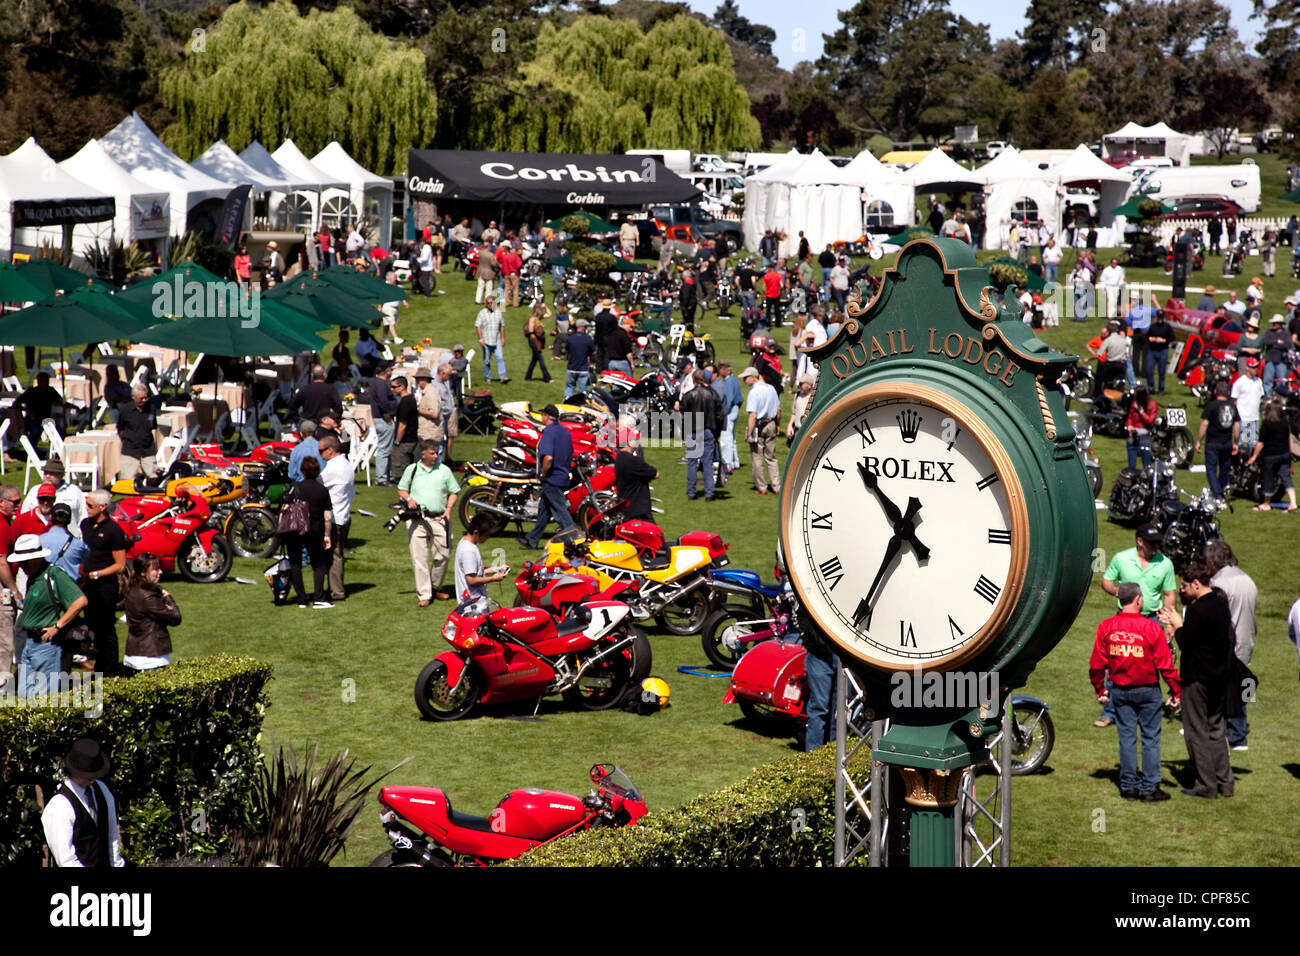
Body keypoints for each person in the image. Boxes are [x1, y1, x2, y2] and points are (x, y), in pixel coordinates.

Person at [1089, 582, 1180, 801]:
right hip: (1148, 691)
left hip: (1119, 690)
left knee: (1127, 737)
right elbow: (1165, 665)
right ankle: (1149, 788)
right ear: (1139, 600)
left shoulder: (1106, 626)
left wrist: (1100, 688)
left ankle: (1128, 786)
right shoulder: (1151, 628)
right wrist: (1176, 690)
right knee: (1150, 739)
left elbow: (1096, 664)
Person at [1158, 564, 1235, 799]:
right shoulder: (1221, 605)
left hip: (1197, 680)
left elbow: (1187, 643)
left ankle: (1206, 784)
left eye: (1184, 585)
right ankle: (1225, 782)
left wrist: (1177, 626)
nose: (1182, 590)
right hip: (1219, 678)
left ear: (1196, 584)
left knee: (1196, 732)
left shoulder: (1198, 610)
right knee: (1215, 729)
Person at [12, 533, 87, 696]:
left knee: (43, 697)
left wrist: (57, 626)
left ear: (36, 558)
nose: (21, 565)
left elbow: (80, 601)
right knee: (25, 694)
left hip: (46, 644)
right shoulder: (33, 577)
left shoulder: (54, 574)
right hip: (30, 643)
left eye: (24, 561)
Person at [1202, 541, 1256, 751]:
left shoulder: (1219, 582)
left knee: (1222, 688)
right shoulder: (1246, 578)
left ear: (1213, 561)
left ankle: (1232, 731)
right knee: (1239, 685)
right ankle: (1237, 731)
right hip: (1246, 638)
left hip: (1227, 643)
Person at [41, 738, 126, 867]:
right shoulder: (60, 806)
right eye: (88, 775)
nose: (92, 779)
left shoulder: (102, 790)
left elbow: (112, 838)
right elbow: (66, 861)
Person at [398, 439, 460, 606]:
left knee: (443, 555)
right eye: (433, 453)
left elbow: (454, 491)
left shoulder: (444, 470)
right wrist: (409, 499)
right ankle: (424, 594)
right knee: (420, 558)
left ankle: (435, 586)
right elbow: (401, 488)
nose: (436, 456)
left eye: (437, 453)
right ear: (423, 454)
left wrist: (449, 509)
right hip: (416, 520)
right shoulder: (412, 469)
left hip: (439, 518)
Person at [79, 490, 127, 675]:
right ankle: (100, 666)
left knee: (106, 628)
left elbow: (120, 565)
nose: (87, 508)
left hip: (105, 587)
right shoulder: (85, 525)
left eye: (91, 505)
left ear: (103, 507)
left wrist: (94, 574)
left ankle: (109, 668)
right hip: (88, 585)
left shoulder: (113, 531)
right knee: (91, 625)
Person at [518, 405, 577, 549]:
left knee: (560, 511)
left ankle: (574, 538)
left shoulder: (549, 433)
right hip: (562, 475)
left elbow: (548, 458)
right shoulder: (565, 432)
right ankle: (532, 539)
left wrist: (543, 473)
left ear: (546, 416)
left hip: (551, 478)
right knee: (544, 510)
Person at [282, 456, 333, 609]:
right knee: (318, 564)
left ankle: (302, 598)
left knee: (295, 562)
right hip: (315, 529)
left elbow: (284, 509)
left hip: (296, 528)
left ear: (302, 471)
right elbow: (328, 516)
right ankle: (319, 597)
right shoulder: (323, 490)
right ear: (318, 472)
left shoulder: (294, 488)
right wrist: (327, 535)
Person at [122, 553, 180, 674]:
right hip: (151, 658)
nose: (160, 572)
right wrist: (167, 596)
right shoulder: (148, 597)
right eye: (155, 569)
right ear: (143, 572)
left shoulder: (132, 589)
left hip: (135, 652)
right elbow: (175, 618)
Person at [318, 435, 355, 603]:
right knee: (336, 555)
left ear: (330, 450)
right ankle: (335, 588)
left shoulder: (332, 468)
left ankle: (336, 591)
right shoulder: (346, 464)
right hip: (344, 515)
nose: (319, 454)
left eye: (321, 451)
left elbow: (317, 484)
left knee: (334, 556)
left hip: (333, 518)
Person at [1247, 399, 1298, 511]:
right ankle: (1293, 503)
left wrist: (1254, 456)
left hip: (1270, 455)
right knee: (1286, 477)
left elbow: (1260, 443)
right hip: (1284, 454)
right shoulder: (1285, 423)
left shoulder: (1267, 424)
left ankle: (1266, 503)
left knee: (1268, 479)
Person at [1196, 380, 1239, 500]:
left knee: (1211, 469)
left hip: (1212, 442)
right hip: (1226, 441)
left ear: (1215, 392)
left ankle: (1217, 493)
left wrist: (1199, 440)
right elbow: (1236, 426)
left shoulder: (1211, 406)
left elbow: (1204, 424)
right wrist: (1236, 442)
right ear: (1228, 393)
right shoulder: (1232, 407)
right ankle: (1220, 490)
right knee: (1224, 469)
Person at [681, 370, 720, 501]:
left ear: (693, 380)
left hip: (693, 430)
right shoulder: (712, 394)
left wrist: (683, 434)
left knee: (692, 463)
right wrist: (718, 433)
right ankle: (710, 493)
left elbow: (683, 416)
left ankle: (691, 492)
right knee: (707, 463)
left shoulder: (689, 395)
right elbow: (720, 415)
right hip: (708, 430)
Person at [454, 513, 510, 603]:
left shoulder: (465, 542)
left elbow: (473, 571)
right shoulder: (468, 551)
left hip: (475, 600)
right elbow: (471, 580)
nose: (488, 538)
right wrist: (493, 578)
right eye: (487, 535)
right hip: (472, 604)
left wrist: (496, 569)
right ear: (476, 532)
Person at [743, 365, 781, 495]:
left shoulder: (753, 392)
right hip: (771, 422)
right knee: (771, 457)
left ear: (753, 377)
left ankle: (762, 487)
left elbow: (752, 415)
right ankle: (776, 487)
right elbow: (778, 410)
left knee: (757, 458)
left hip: (758, 425)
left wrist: (749, 433)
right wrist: (777, 424)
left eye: (746, 378)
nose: (744, 381)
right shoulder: (771, 388)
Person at [115, 385, 158, 480]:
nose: (144, 400)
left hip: (148, 449)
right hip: (130, 449)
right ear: (133, 397)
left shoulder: (151, 409)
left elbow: (153, 427)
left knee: (153, 477)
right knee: (127, 479)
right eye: (141, 398)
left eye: (146, 397)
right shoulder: (125, 410)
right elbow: (120, 429)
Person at [613, 429, 657, 522]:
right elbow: (655, 473)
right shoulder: (633, 461)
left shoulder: (619, 458)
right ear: (628, 442)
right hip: (638, 511)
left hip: (627, 508)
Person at [368, 361, 399, 485]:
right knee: (384, 449)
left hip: (382, 418)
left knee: (387, 448)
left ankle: (387, 476)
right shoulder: (381, 384)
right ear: (387, 371)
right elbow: (383, 403)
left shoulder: (378, 383)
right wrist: (396, 405)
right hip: (383, 418)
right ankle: (381, 478)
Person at [39, 502, 87, 581]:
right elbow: (87, 560)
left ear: (50, 517)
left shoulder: (38, 541)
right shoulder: (78, 544)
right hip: (70, 589)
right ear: (70, 520)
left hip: (45, 588)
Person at [289, 365, 342, 436]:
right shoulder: (330, 389)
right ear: (324, 375)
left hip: (308, 424)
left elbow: (292, 406)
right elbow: (338, 406)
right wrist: (335, 419)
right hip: (324, 425)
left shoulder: (304, 389)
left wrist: (297, 419)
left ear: (312, 375)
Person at [713, 360, 743, 471]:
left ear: (725, 370)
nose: (719, 371)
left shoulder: (728, 381)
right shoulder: (733, 379)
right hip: (735, 409)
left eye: (720, 369)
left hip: (729, 411)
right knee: (732, 437)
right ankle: (735, 462)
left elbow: (729, 400)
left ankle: (727, 464)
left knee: (726, 439)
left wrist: (723, 413)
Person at [1230, 357, 1264, 451]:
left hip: (1255, 418)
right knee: (1243, 446)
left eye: (1256, 367)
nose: (1255, 369)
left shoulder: (1259, 381)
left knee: (1253, 445)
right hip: (1243, 418)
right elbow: (1234, 400)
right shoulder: (1240, 382)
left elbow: (1260, 397)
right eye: (1253, 367)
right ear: (1247, 368)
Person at [16, 372, 60, 445]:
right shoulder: (31, 392)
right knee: (35, 431)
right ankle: (32, 449)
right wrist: (26, 410)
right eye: (43, 381)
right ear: (38, 382)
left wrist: (75, 407)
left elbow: (61, 402)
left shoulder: (50, 391)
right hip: (32, 419)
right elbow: (16, 403)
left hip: (47, 419)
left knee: (58, 430)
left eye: (47, 381)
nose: (46, 384)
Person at [390, 376, 420, 476]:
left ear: (402, 387)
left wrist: (397, 441)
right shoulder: (411, 399)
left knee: (400, 466)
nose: (392, 389)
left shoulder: (405, 403)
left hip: (405, 440)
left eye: (394, 387)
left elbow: (402, 425)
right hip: (412, 438)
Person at [475, 296, 509, 384]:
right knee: (486, 360)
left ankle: (503, 377)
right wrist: (481, 339)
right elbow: (478, 327)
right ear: (486, 304)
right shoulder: (482, 313)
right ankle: (488, 377)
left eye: (492, 303)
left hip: (496, 340)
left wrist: (503, 338)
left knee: (500, 358)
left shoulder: (498, 312)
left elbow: (502, 326)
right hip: (486, 341)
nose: (490, 305)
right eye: (488, 303)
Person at [1124, 385, 1158, 470]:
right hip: (1133, 433)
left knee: (1146, 465)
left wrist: (1140, 411)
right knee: (1131, 464)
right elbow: (1130, 417)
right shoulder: (1134, 403)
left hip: (1144, 434)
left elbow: (1150, 421)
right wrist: (1129, 425)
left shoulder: (1152, 405)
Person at [563, 317, 596, 399]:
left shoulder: (570, 338)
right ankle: (580, 406)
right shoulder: (588, 339)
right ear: (583, 327)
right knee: (582, 392)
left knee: (569, 388)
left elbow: (567, 351)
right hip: (583, 368)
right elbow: (593, 353)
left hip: (571, 367)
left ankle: (566, 404)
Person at [1144, 309, 1174, 393]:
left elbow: (1172, 337)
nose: (1160, 319)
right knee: (1149, 370)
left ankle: (1161, 389)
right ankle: (1151, 387)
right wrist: (1151, 338)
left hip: (1163, 350)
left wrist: (1164, 340)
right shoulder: (1153, 326)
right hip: (1152, 350)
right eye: (1159, 317)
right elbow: (1147, 336)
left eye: (1161, 317)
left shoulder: (1167, 327)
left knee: (1161, 371)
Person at [1261, 313, 1291, 393]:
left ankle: (1279, 396)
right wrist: (1277, 342)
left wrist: (1273, 345)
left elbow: (1287, 344)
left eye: (1275, 323)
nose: (1273, 324)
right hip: (1270, 359)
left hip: (1281, 360)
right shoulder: (1269, 332)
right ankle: (1268, 395)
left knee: (1281, 380)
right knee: (1267, 379)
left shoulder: (1286, 333)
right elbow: (1265, 341)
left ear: (1280, 324)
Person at [523, 303, 553, 383]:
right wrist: (540, 327)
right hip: (533, 341)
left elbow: (549, 314)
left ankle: (528, 377)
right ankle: (547, 378)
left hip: (537, 341)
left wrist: (546, 306)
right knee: (541, 359)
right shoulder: (532, 319)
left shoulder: (538, 318)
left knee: (534, 360)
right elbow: (531, 330)